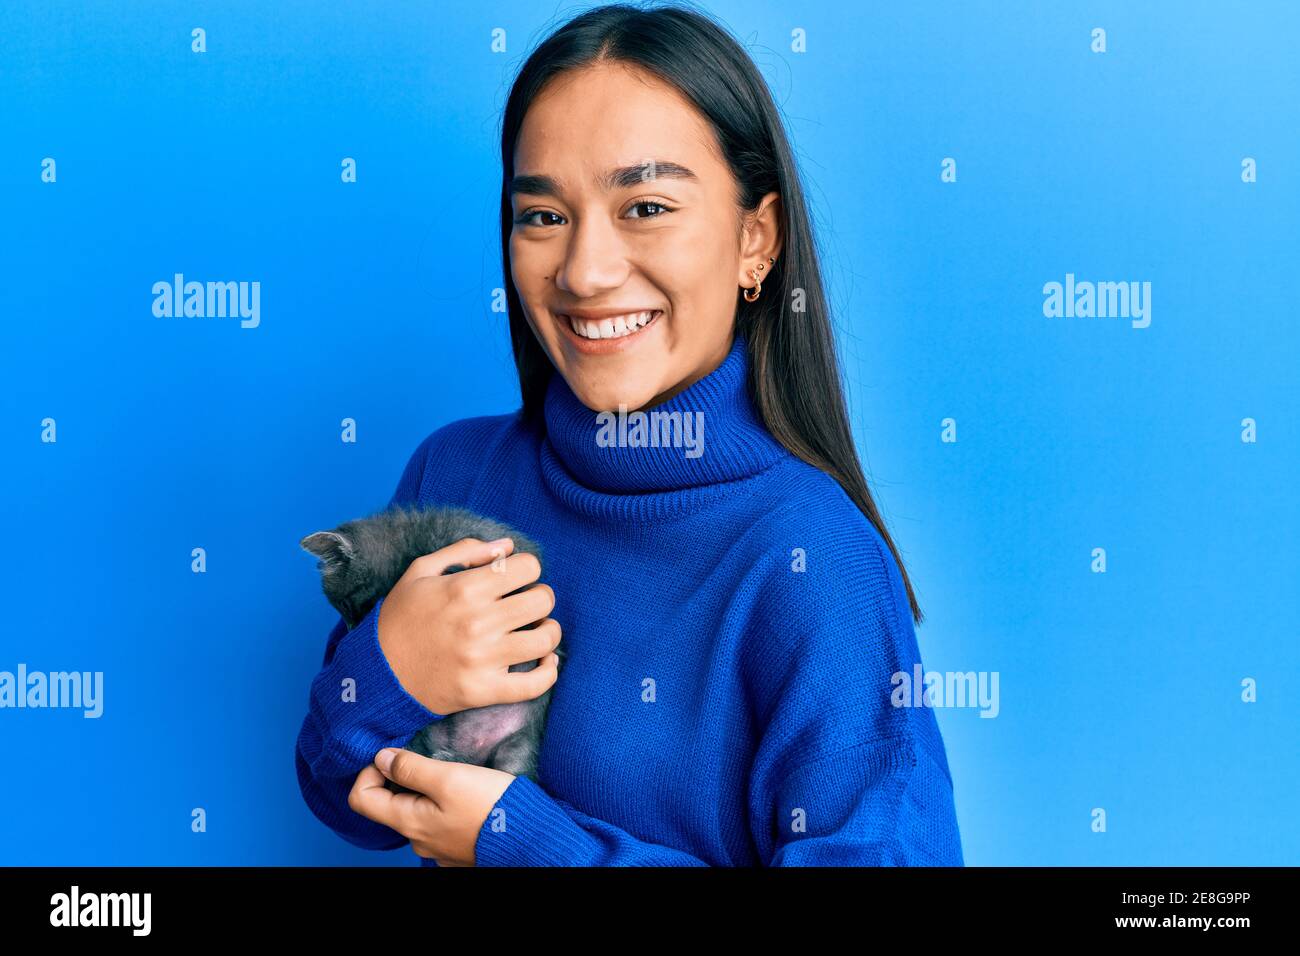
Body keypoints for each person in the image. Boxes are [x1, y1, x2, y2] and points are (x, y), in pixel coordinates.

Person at [295, 2, 964, 867]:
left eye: (645, 206)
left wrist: (528, 846)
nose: (585, 271)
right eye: (543, 217)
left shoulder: (813, 561)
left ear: (755, 240)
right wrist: (391, 670)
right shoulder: (455, 474)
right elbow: (344, 796)